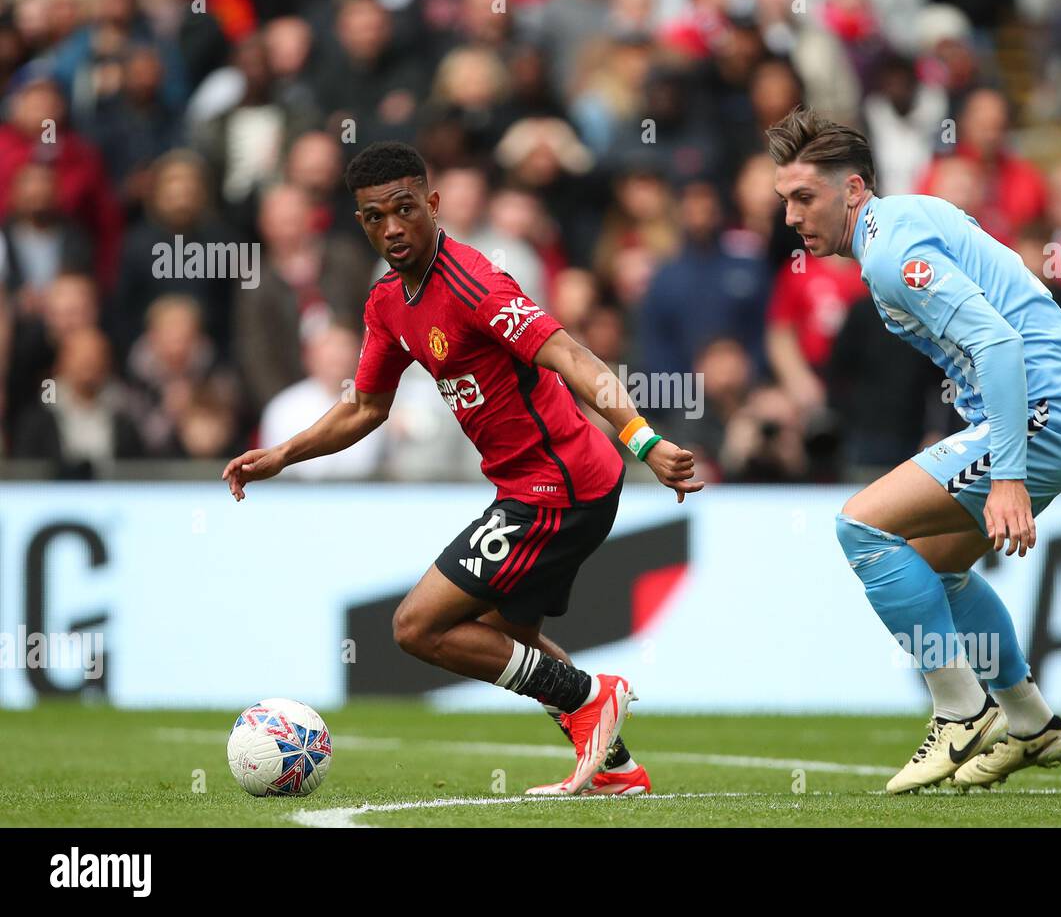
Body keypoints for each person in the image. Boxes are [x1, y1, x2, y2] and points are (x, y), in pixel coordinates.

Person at [222, 141, 703, 796]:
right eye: (372, 217)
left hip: (559, 486)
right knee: (512, 640)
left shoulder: (474, 282)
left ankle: (593, 694)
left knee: (416, 627)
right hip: (538, 485)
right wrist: (282, 453)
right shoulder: (388, 302)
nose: (391, 228)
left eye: (404, 209)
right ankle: (616, 768)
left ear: (433, 204)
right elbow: (365, 407)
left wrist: (644, 442)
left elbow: (569, 353)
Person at [768, 106, 1061, 793]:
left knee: (860, 525)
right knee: (933, 569)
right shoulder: (905, 220)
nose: (791, 217)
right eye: (785, 200)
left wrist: (1007, 475)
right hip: (1056, 410)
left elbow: (999, 344)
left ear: (853, 189)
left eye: (804, 197)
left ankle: (959, 709)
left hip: (1044, 413)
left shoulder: (893, 254)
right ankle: (1031, 721)